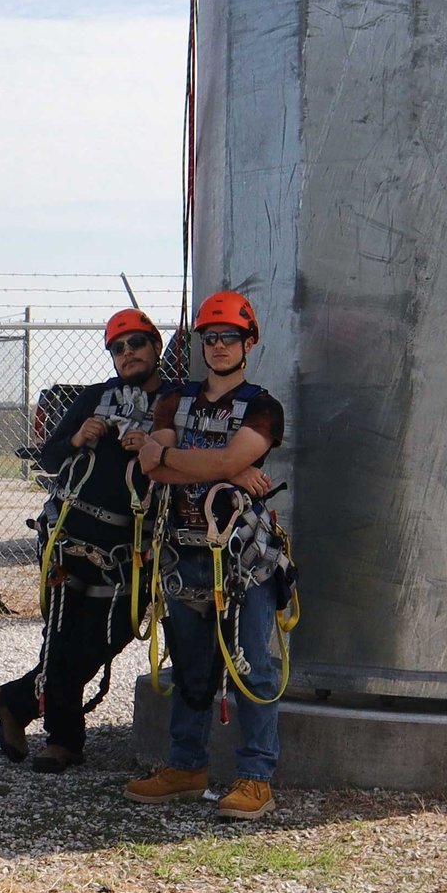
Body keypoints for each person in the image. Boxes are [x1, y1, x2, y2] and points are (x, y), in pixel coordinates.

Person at [126, 290, 289, 821]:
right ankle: (186, 766)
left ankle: (256, 777)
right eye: (210, 338)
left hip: (246, 558)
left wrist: (185, 459)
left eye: (229, 338)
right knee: (192, 668)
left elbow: (170, 457)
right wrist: (222, 466)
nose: (218, 346)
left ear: (248, 343)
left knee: (255, 668)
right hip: (185, 553)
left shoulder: (264, 407)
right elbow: (152, 468)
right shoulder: (174, 400)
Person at [0, 309, 168, 772]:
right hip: (74, 533)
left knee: (113, 632)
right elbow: (46, 455)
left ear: (156, 346)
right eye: (118, 348)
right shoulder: (94, 398)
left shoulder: (175, 402)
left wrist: (152, 445)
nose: (128, 354)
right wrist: (75, 440)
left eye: (136, 344)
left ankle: (16, 700)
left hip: (134, 542)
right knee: (62, 638)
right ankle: (63, 739)